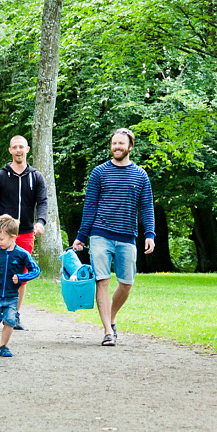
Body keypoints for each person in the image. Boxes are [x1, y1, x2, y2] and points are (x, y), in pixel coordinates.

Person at [73, 128, 154, 347]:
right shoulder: (99, 172)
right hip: (100, 234)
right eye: (114, 143)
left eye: (121, 143)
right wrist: (81, 236)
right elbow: (89, 206)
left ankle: (111, 317)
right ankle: (108, 331)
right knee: (103, 281)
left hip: (127, 236)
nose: (117, 147)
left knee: (126, 284)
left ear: (130, 147)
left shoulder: (140, 175)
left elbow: (147, 206)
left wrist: (150, 234)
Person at [0, 134, 50, 326]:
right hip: (3, 234)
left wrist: (41, 222)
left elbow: (43, 202)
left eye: (21, 147)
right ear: (10, 150)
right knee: (0, 272)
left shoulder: (36, 176)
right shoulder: (0, 177)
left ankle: (14, 313)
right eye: (15, 147)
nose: (18, 150)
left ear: (27, 149)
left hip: (26, 233)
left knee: (20, 276)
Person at [0, 214, 39, 358]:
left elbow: (35, 270)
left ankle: (3, 346)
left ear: (13, 238)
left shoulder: (22, 254)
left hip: (12, 295)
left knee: (10, 320)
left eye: (1, 239)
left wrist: (21, 277)